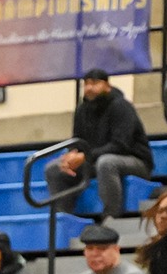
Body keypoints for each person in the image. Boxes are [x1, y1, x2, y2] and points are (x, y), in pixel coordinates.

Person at [44, 69, 154, 219]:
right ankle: (64, 219)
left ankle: (111, 217)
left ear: (107, 86)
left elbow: (121, 145)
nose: (89, 88)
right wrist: (71, 155)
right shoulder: (82, 110)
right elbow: (77, 140)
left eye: (95, 83)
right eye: (86, 84)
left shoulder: (121, 106)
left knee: (106, 163)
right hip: (95, 161)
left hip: (136, 161)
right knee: (54, 168)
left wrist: (85, 157)